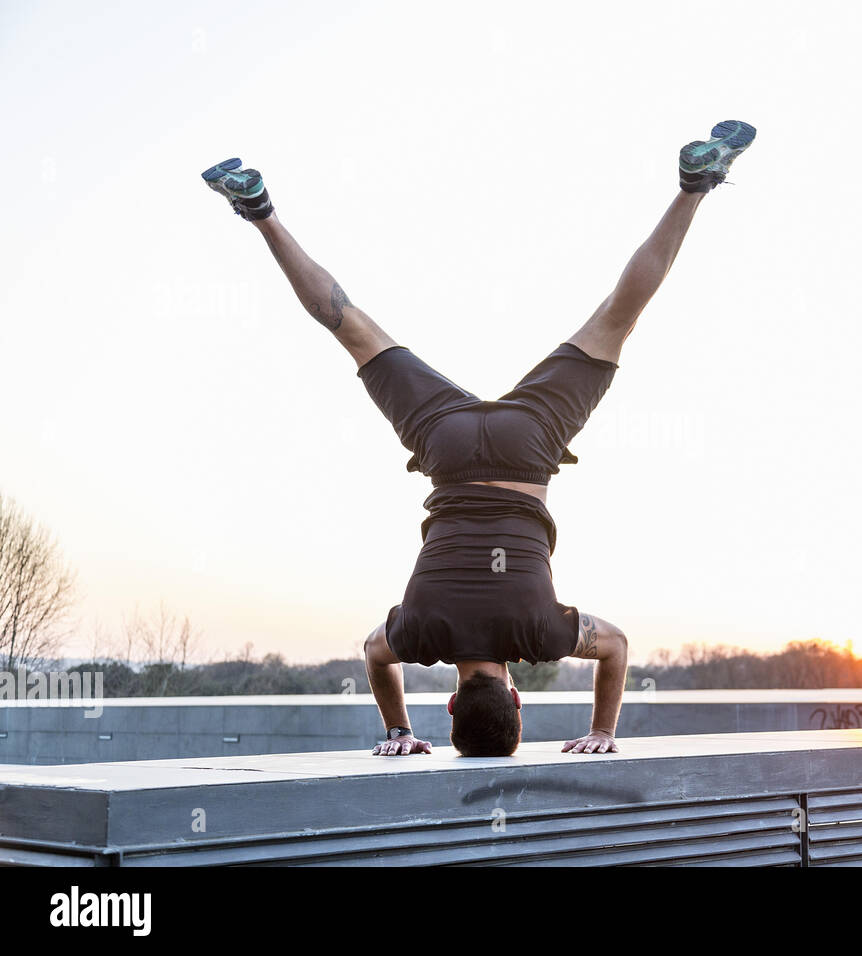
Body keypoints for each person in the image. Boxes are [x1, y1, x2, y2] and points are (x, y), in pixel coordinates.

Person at [200, 120, 756, 757]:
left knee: (618, 316)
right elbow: (373, 655)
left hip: (529, 445)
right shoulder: (415, 638)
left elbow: (618, 647)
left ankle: (694, 187)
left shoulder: (543, 636)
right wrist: (398, 731)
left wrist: (603, 732)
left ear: (516, 695)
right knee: (351, 328)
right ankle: (260, 211)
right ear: (452, 701)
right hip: (448, 446)